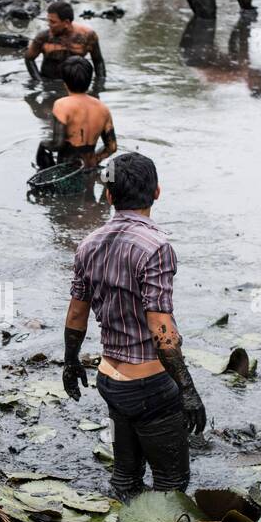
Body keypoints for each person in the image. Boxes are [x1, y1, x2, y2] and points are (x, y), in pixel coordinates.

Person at [62, 152, 206, 499]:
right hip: (151, 388)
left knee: (125, 477)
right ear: (157, 192)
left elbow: (76, 315)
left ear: (109, 196)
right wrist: (187, 390)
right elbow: (162, 330)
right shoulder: (156, 247)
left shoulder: (88, 245)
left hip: (111, 381)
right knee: (173, 484)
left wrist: (70, 362)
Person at [35, 56, 117, 169]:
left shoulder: (62, 105)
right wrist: (95, 160)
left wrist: (43, 145)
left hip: (66, 168)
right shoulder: (103, 109)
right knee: (89, 186)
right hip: (90, 166)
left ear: (65, 82)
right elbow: (112, 147)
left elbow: (57, 143)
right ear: (90, 80)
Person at [24, 0, 106, 85]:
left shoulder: (88, 36)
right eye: (48, 20)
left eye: (53, 22)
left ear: (66, 22)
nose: (49, 24)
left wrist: (99, 86)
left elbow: (98, 61)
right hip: (50, 82)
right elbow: (29, 58)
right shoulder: (43, 37)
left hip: (76, 84)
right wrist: (39, 81)